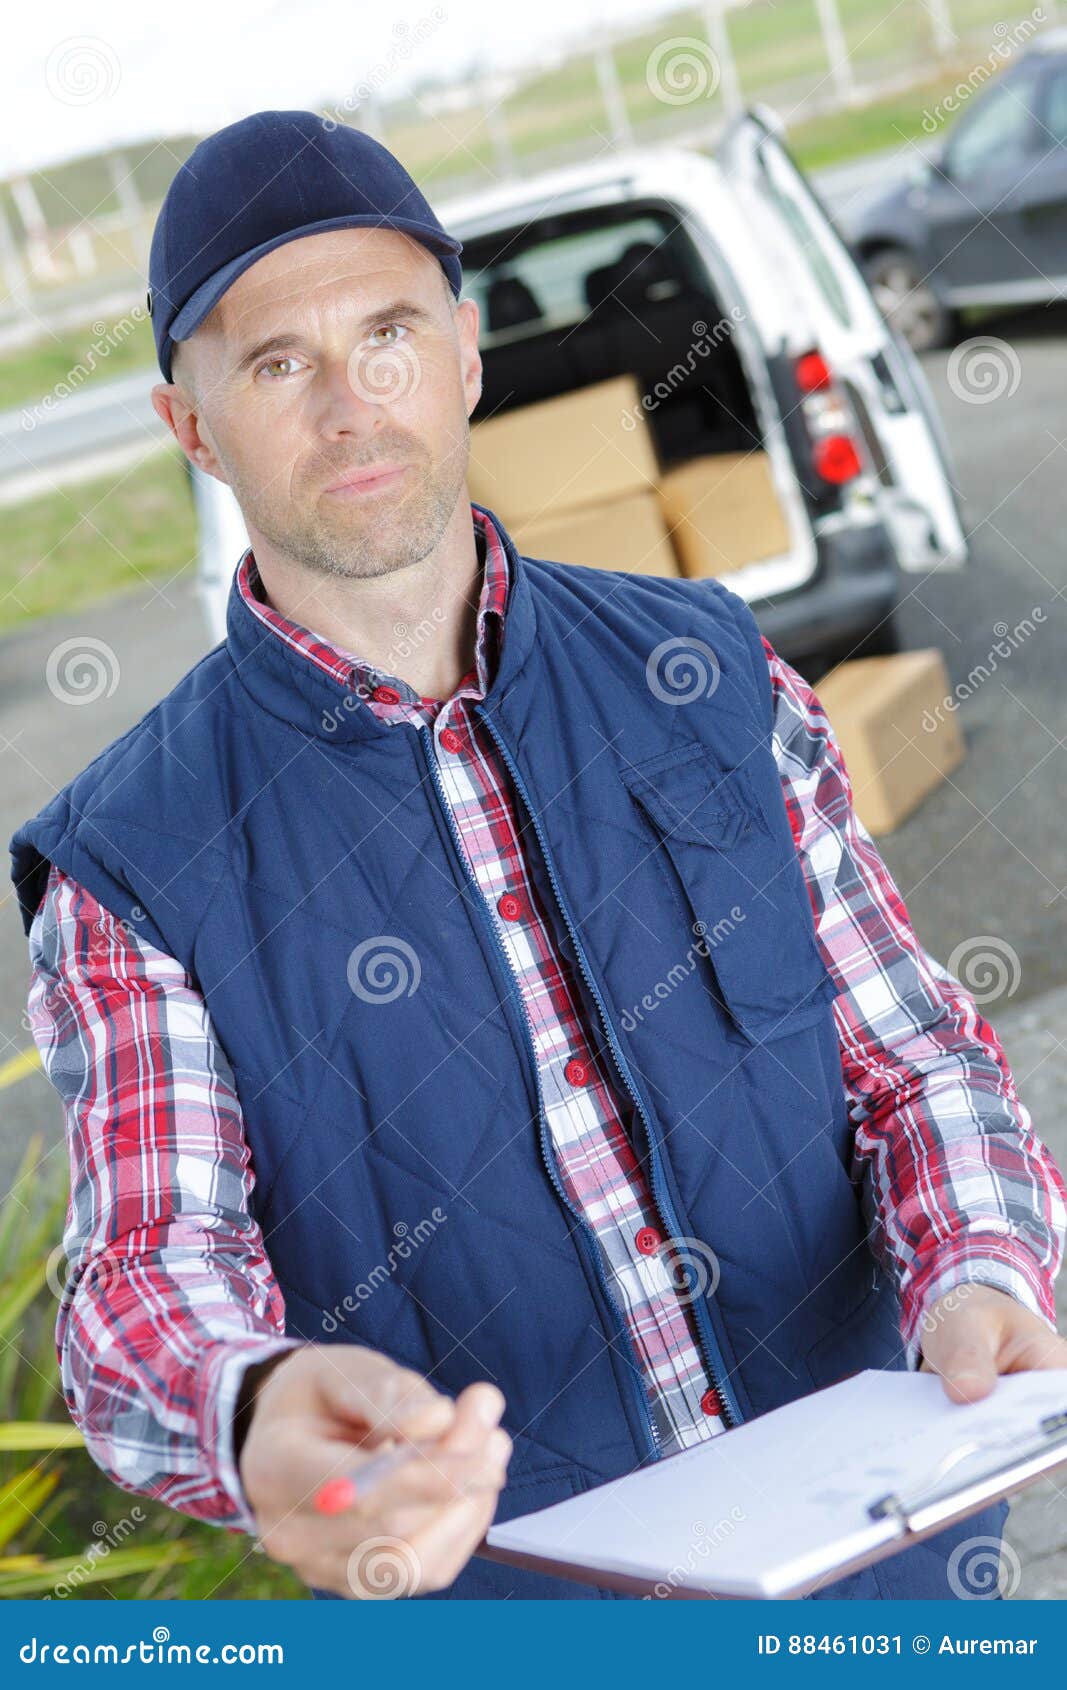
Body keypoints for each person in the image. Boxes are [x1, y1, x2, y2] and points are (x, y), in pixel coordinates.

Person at [10, 110, 1067, 1603]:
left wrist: (975, 1269)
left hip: (889, 1557)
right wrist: (253, 1416)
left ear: (464, 349)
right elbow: (144, 1274)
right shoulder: (135, 860)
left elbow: (916, 1060)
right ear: (194, 429)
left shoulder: (711, 672)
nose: (351, 407)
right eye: (275, 363)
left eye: (387, 334)